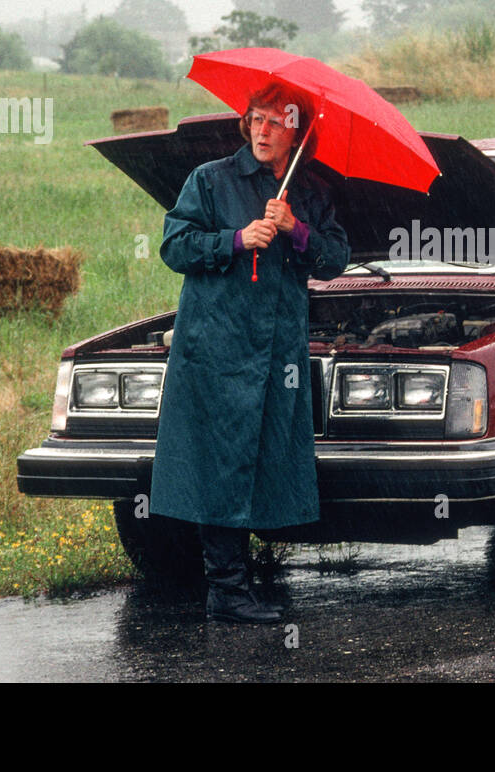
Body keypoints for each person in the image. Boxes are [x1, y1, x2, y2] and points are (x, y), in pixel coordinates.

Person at [149, 82, 351, 623]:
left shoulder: (308, 192)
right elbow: (174, 245)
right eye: (257, 119)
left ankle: (244, 582)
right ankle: (227, 592)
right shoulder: (211, 180)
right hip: (217, 346)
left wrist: (297, 230)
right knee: (221, 463)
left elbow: (335, 260)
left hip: (278, 354)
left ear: (297, 133)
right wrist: (235, 241)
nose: (263, 131)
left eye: (277, 122)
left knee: (263, 460)